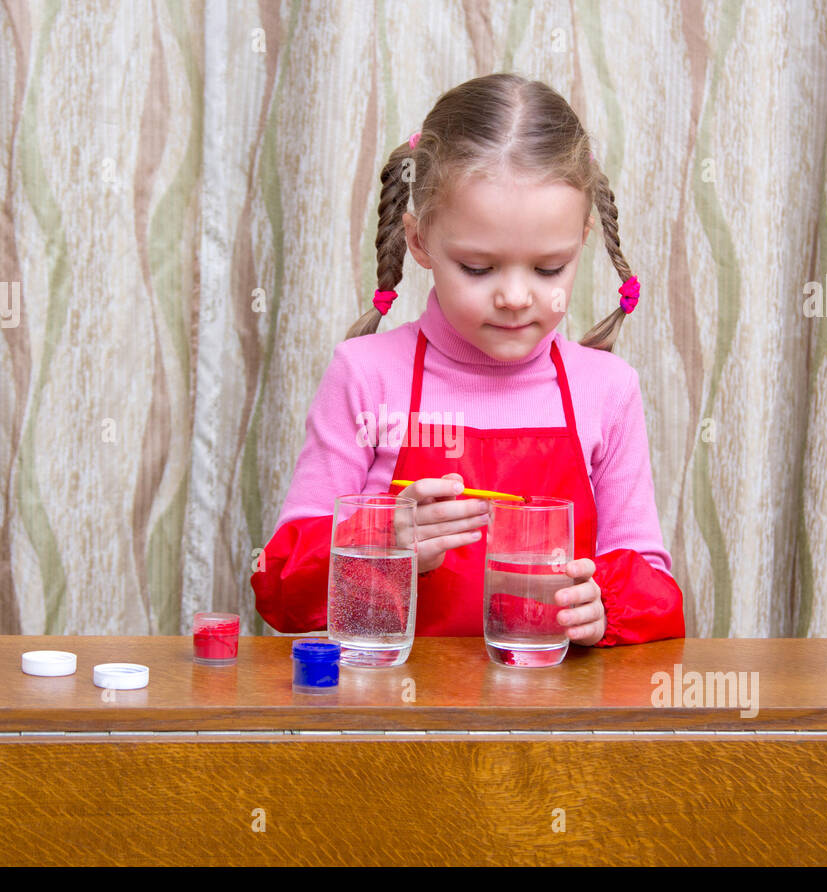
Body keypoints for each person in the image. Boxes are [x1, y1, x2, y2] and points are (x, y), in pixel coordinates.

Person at [250, 72, 684, 647]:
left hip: (551, 723)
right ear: (421, 242)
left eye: (549, 268)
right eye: (478, 269)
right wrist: (383, 537)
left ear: (583, 239)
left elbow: (654, 586)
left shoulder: (608, 388)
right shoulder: (365, 374)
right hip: (393, 724)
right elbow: (279, 588)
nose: (514, 296)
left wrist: (604, 607)